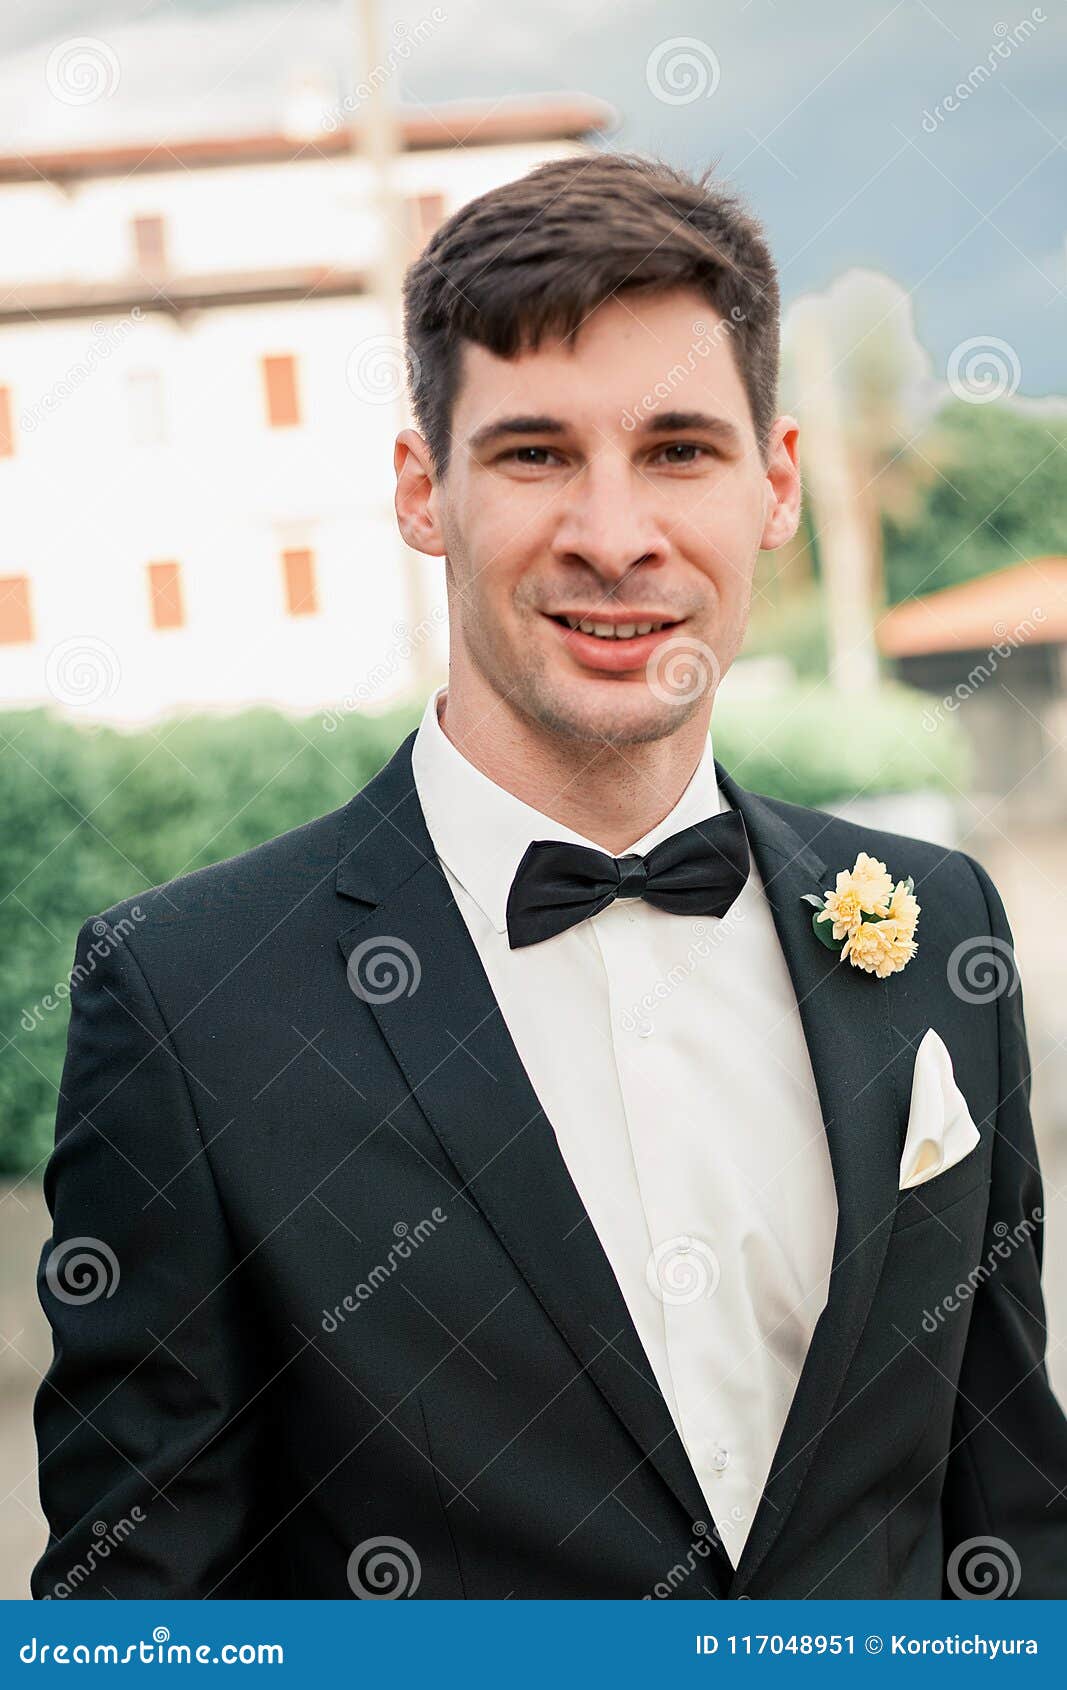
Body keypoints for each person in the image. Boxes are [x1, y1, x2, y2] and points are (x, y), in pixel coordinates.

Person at [32, 151, 1067, 1599]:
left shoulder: (938, 923)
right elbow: (139, 1621)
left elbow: (1014, 1506)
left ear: (774, 486)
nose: (613, 532)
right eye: (533, 454)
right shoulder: (188, 1002)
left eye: (679, 450)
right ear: (421, 490)